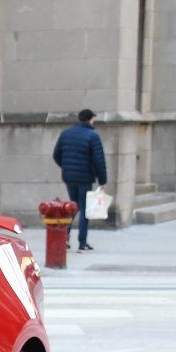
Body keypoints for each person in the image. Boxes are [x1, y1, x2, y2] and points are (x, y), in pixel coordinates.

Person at [52, 108, 107, 252]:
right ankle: (82, 242)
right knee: (84, 209)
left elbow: (56, 155)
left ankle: (65, 236)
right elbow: (99, 160)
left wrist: (66, 167)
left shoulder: (66, 133)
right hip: (85, 177)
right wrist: (103, 180)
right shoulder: (92, 136)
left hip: (69, 177)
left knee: (72, 207)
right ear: (90, 119)